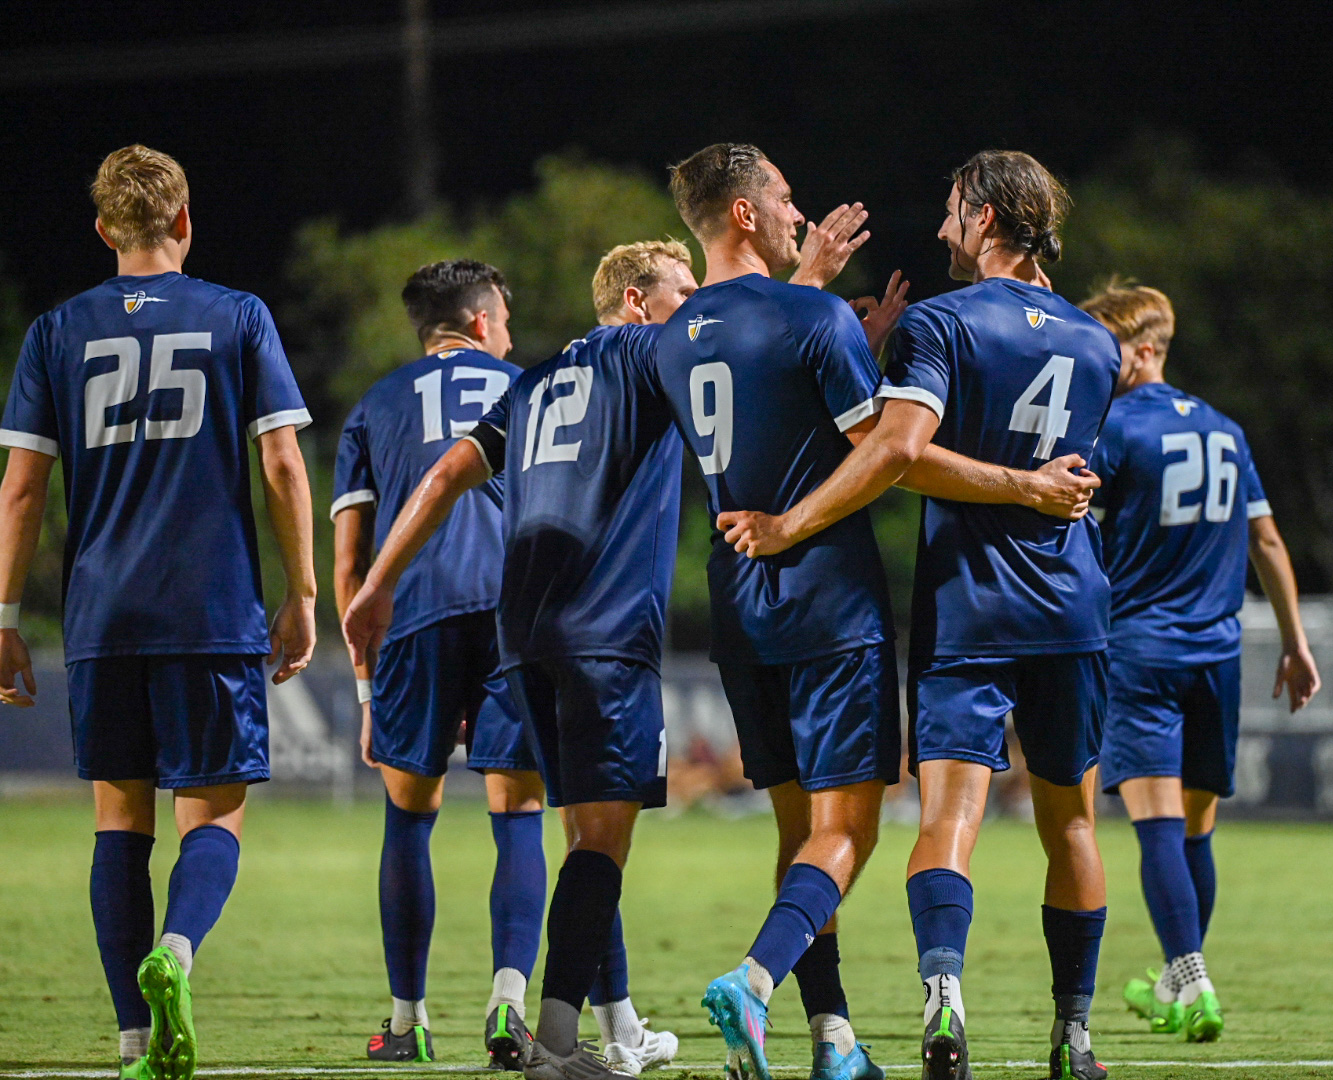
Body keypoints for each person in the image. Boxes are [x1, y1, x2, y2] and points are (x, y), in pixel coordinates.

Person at [341, 228, 870, 1080]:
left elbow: (442, 477)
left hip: (526, 635)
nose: (699, 309)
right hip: (604, 630)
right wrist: (806, 282)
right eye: (684, 292)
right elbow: (743, 347)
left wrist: (375, 586)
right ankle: (553, 1044)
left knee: (588, 835)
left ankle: (587, 1033)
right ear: (637, 301)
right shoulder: (655, 354)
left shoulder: (538, 376)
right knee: (599, 844)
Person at [715, 150, 1115, 1080]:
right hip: (1070, 608)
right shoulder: (1095, 340)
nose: (940, 231)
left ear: (982, 217)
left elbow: (895, 451)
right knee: (1076, 827)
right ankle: (1077, 1039)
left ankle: (943, 996)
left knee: (950, 820)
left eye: (948, 212)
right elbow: (1083, 479)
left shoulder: (941, 323)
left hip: (968, 608)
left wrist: (791, 522)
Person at [0, 145, 316, 1080]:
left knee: (117, 823)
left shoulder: (57, 332)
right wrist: (302, 592)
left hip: (103, 617)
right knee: (211, 819)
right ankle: (175, 953)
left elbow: (21, 490)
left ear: (104, 231)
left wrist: (6, 613)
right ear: (185, 221)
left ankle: (135, 1044)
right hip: (210, 608)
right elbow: (286, 465)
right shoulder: (240, 317)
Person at [332, 258, 611, 1068]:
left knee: (407, 814)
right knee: (517, 812)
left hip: (413, 609)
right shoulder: (532, 386)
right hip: (510, 606)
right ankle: (508, 1004)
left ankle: (406, 1018)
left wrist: (364, 690)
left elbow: (350, 565)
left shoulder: (374, 405)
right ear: (485, 321)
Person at [1080, 280, 1321, 1043]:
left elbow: (1075, 531)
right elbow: (1269, 543)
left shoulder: (1110, 429)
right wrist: (1296, 641)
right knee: (1197, 830)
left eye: (1109, 348)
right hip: (1219, 656)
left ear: (1145, 349)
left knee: (1156, 827)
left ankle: (1191, 979)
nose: (1098, 363)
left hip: (1142, 652)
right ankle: (1181, 977)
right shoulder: (1226, 429)